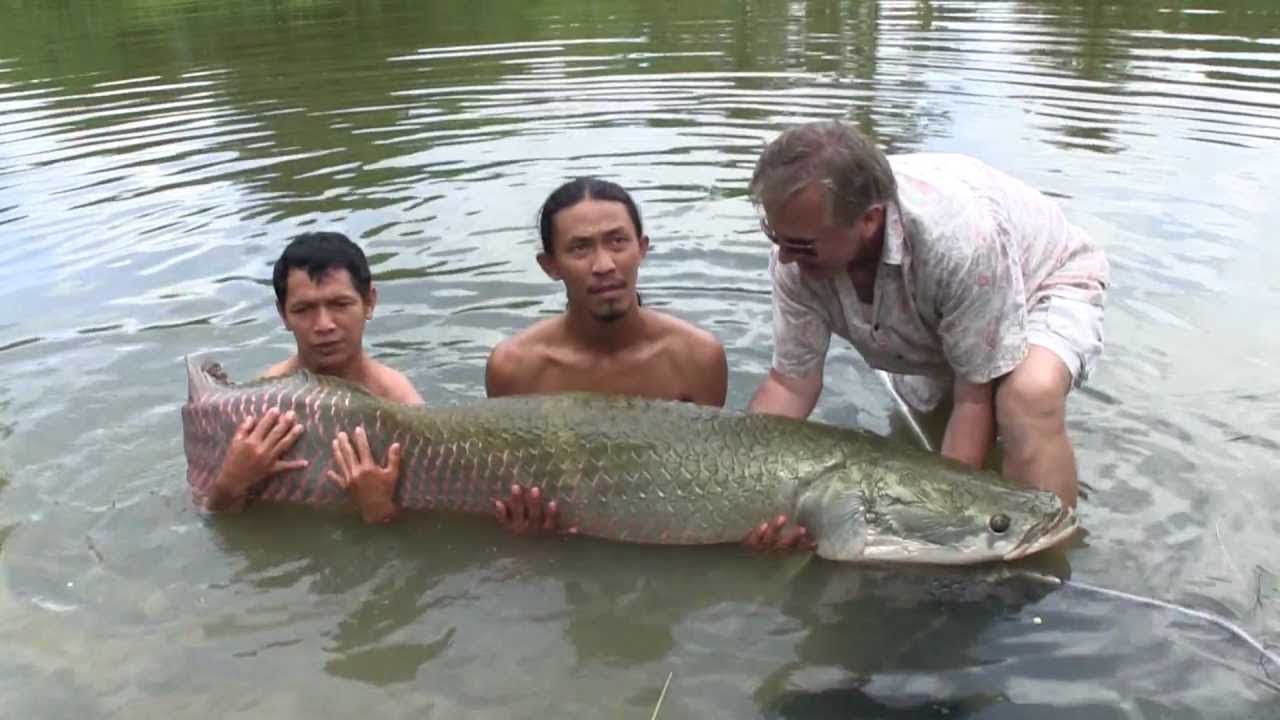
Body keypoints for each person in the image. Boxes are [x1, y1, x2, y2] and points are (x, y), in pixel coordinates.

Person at [747, 120, 1108, 509]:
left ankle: (1045, 560)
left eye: (800, 245)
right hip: (941, 312)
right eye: (773, 235)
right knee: (931, 434)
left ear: (867, 220)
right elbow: (791, 385)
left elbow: (973, 397)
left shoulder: (959, 239)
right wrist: (750, 489)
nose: (784, 257)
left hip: (1043, 279)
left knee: (1024, 398)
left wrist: (936, 518)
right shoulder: (796, 256)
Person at [484, 177, 744, 535]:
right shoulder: (515, 367)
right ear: (550, 265)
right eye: (580, 248)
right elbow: (507, 483)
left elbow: (709, 480)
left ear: (642, 248)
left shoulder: (696, 357)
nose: (604, 264)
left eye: (618, 241)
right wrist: (525, 532)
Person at [199, 231, 423, 523]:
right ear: (283, 315)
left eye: (340, 305)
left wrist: (379, 510)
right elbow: (211, 521)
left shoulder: (398, 400)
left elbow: (427, 535)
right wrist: (230, 483)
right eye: (303, 309)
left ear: (369, 302)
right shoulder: (262, 405)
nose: (324, 325)